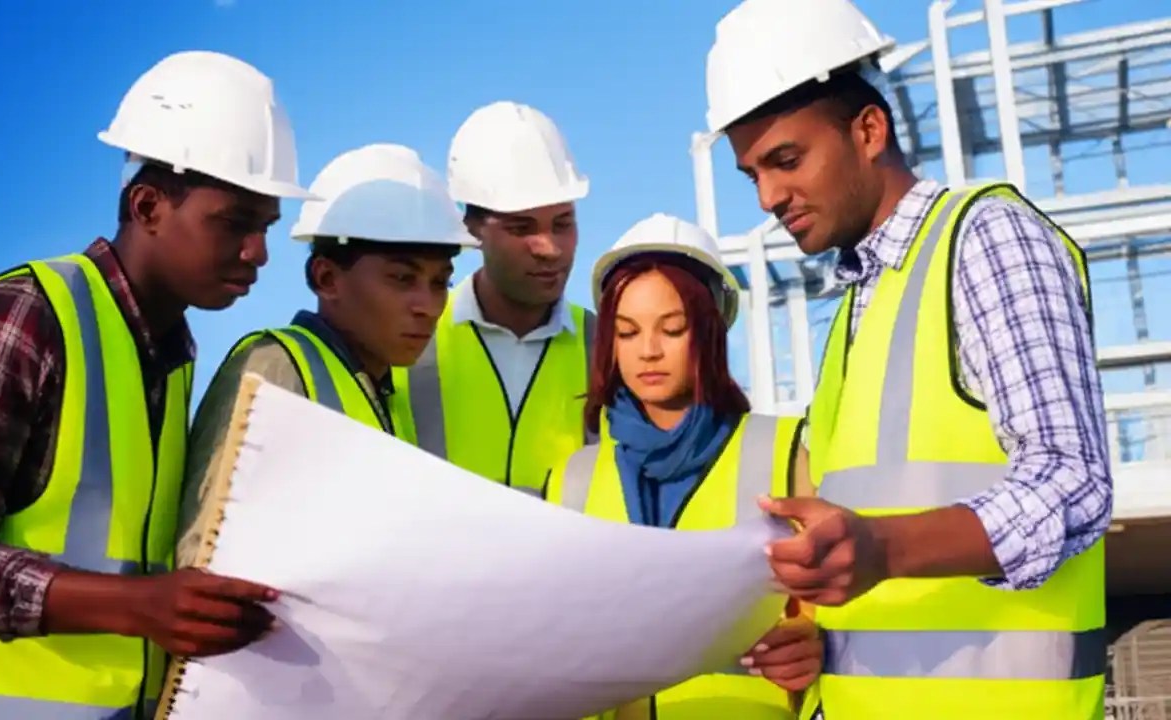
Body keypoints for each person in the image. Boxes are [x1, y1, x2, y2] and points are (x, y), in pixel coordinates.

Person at [704, 1, 1112, 718]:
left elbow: (1072, 483)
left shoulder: (986, 239)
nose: (769, 197)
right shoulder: (859, 307)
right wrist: (817, 642)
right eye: (752, 175)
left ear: (868, 130)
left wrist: (881, 549)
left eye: (786, 160)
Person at [0, 51, 314, 719]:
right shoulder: (20, 320)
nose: (258, 252)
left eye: (263, 228)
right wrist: (139, 607)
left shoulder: (168, 356)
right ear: (147, 206)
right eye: (233, 223)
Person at [545, 213, 822, 720]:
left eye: (672, 329)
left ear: (711, 333)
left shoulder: (783, 454)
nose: (648, 351)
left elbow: (829, 612)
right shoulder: (572, 480)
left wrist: (817, 642)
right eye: (627, 333)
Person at [177, 143, 477, 565]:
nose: (427, 304)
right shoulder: (273, 367)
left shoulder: (386, 394)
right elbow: (204, 561)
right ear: (326, 278)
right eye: (402, 278)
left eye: (439, 282)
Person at [394, 101, 596, 495]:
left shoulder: (605, 344)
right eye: (522, 228)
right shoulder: (415, 337)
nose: (549, 248)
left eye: (563, 224)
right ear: (471, 228)